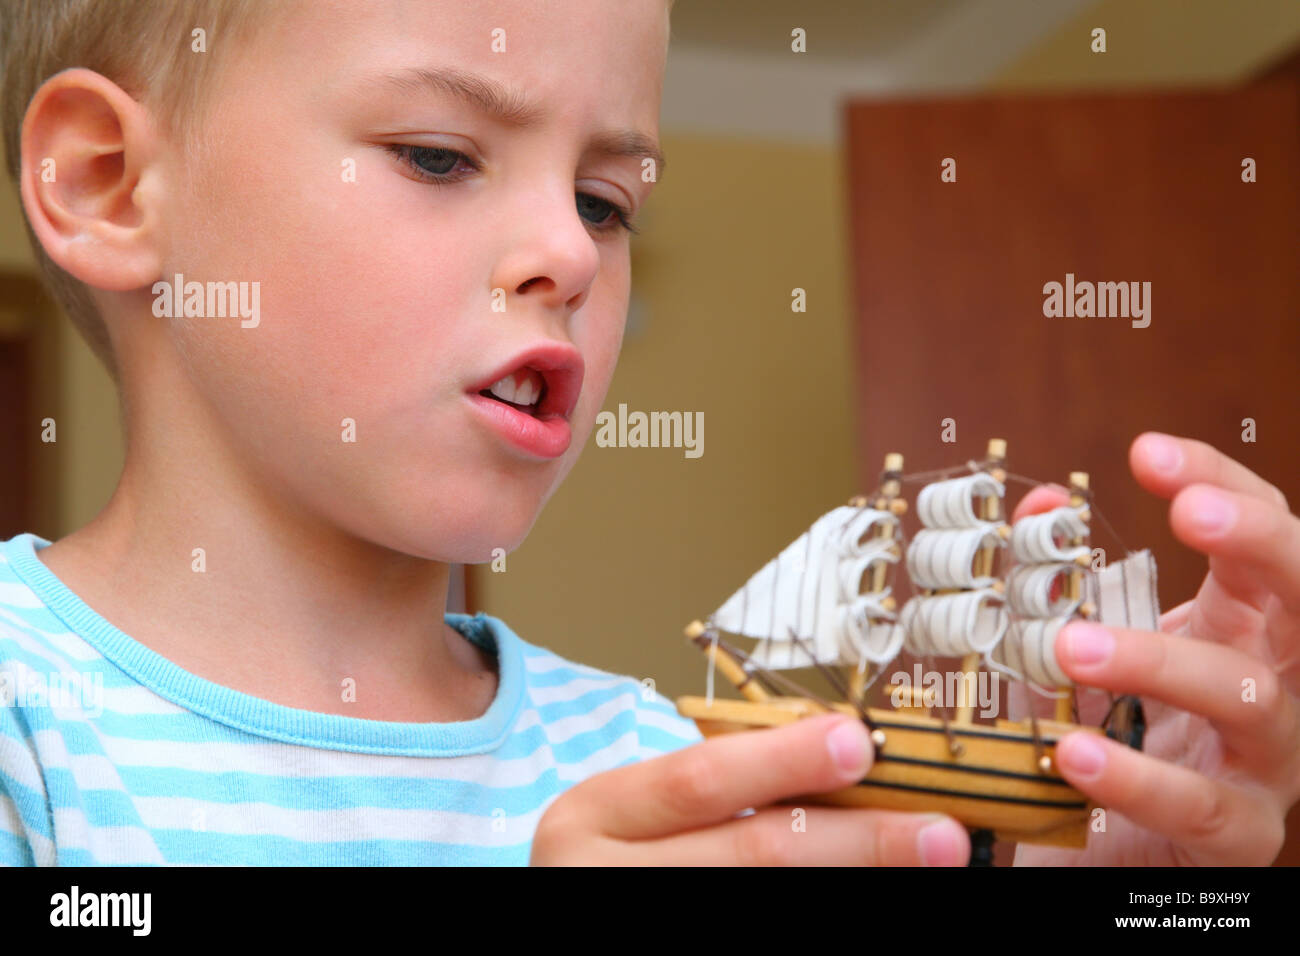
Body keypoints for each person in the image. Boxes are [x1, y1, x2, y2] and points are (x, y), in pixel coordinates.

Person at [1, 0, 1296, 867]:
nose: (569, 249)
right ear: (108, 184)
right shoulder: (25, 724)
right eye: (441, 156)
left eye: (607, 200)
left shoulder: (677, 779)